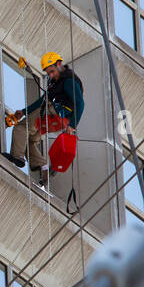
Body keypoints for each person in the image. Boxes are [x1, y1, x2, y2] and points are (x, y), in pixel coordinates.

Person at [6, 52, 84, 191]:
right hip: (57, 121)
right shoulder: (57, 81)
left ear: (59, 64)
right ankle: (43, 168)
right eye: (49, 73)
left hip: (54, 113)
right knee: (29, 140)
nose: (51, 75)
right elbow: (42, 100)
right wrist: (23, 112)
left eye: (52, 71)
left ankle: (16, 156)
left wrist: (72, 125)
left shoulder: (68, 80)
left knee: (21, 128)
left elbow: (80, 103)